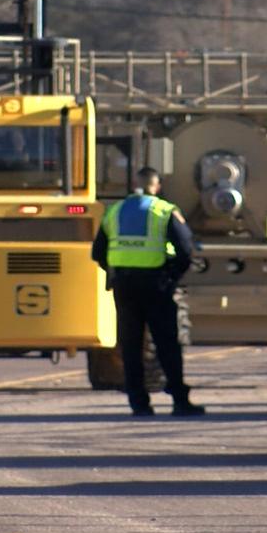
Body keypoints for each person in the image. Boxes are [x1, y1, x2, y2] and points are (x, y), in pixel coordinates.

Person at [92, 166, 205, 416]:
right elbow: (186, 250)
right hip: (157, 286)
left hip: (124, 287)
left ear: (135, 183)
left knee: (131, 346)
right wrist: (171, 276)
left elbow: (97, 252)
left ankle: (138, 403)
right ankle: (179, 400)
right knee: (167, 344)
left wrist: (117, 271)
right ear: (158, 185)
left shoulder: (115, 211)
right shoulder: (164, 211)